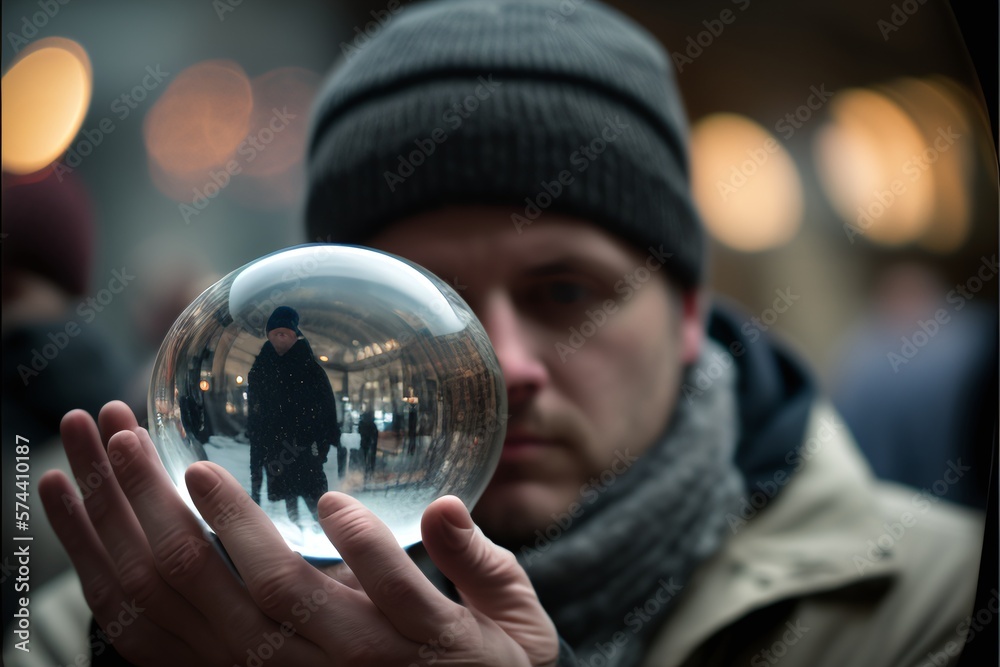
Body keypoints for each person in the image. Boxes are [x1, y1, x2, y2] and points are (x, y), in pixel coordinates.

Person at [36, 1, 985, 665]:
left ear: (691, 314)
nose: (506, 368)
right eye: (431, 305)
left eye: (567, 291)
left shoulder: (936, 600)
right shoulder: (131, 619)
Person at [247, 306, 341, 526]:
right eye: (275, 332)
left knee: (318, 507)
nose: (280, 336)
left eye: (285, 332)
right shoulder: (260, 371)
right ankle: (299, 534)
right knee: (291, 505)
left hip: (307, 453)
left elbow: (327, 410)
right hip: (277, 454)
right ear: (268, 336)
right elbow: (255, 416)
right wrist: (258, 456)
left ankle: (324, 538)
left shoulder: (312, 371)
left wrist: (322, 448)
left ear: (294, 335)